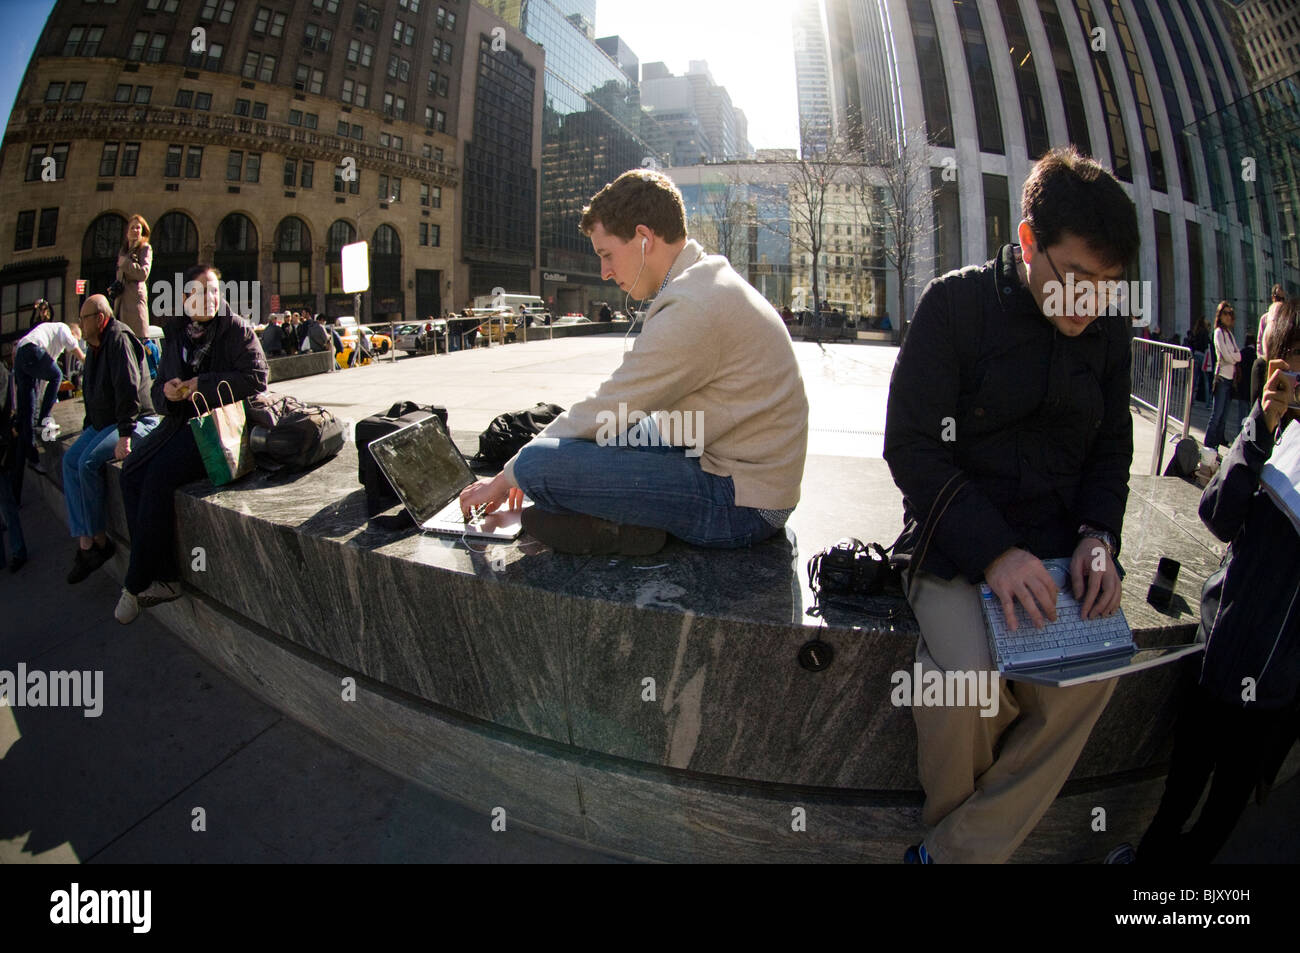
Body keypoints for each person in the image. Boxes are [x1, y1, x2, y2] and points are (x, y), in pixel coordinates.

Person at [883, 147, 1138, 864]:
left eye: (1108, 288)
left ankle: (946, 854)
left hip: (1061, 551)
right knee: (962, 688)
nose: (1089, 306)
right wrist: (994, 552)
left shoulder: (1109, 332)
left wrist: (1098, 538)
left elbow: (1110, 450)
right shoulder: (954, 306)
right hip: (956, 549)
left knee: (1089, 680)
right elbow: (911, 447)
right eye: (1077, 281)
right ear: (1028, 241)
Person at [457, 167, 809, 555]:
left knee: (539, 464)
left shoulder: (693, 305)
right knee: (600, 440)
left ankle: (610, 522)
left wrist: (507, 476)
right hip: (732, 467)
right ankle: (618, 524)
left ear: (643, 238)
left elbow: (613, 403)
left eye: (607, 255)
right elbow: (624, 415)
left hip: (743, 504)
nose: (605, 272)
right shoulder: (704, 281)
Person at [1126, 298, 1300, 864]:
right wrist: (1260, 426)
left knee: (1219, 820)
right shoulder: (1268, 435)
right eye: (1289, 365)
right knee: (1176, 801)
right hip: (1222, 652)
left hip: (1278, 684)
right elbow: (1218, 514)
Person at [114, 264, 268, 624]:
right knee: (131, 472)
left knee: (158, 477)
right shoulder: (176, 335)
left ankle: (135, 583)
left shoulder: (236, 329)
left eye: (215, 291)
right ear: (185, 298)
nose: (211, 298)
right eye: (202, 292)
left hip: (218, 429)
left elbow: (257, 379)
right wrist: (167, 391)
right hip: (180, 424)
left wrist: (205, 383)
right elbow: (157, 389)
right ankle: (163, 575)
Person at [61, 294, 159, 585]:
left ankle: (98, 543)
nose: (80, 323)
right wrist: (88, 428)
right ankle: (89, 544)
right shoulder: (93, 347)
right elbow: (92, 394)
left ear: (100, 319)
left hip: (136, 421)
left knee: (88, 463)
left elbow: (128, 389)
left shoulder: (118, 338)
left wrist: (126, 435)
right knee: (69, 460)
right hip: (103, 423)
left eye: (84, 318)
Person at [13, 318, 85, 470]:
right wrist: (88, 361)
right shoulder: (63, 328)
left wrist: (42, 400)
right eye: (76, 338)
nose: (71, 346)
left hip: (21, 355)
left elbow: (45, 380)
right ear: (73, 333)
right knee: (58, 375)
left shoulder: (52, 344)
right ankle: (43, 419)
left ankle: (33, 459)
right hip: (31, 350)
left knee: (29, 410)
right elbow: (76, 350)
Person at [0, 351, 26, 572]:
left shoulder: (2, 373)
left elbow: (5, 407)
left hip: (0, 442)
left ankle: (18, 551)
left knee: (6, 503)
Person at [1204, 302, 1241, 452]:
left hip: (1231, 380)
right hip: (1221, 378)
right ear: (1220, 315)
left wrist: (1233, 357)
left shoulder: (1230, 334)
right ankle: (1208, 444)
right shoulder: (1218, 332)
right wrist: (1234, 357)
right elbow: (1226, 355)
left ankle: (1216, 445)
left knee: (1224, 416)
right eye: (1225, 313)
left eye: (1230, 313)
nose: (1228, 316)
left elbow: (1239, 355)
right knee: (1217, 414)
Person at [115, 214, 153, 340]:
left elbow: (143, 274)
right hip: (121, 300)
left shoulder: (145, 248)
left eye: (138, 228)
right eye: (132, 228)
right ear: (127, 232)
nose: (136, 230)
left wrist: (126, 264)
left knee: (135, 338)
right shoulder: (124, 251)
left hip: (135, 301)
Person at [1189, 315, 1210, 405]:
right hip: (1202, 355)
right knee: (1206, 380)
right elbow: (1206, 344)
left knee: (1194, 379)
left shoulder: (1196, 331)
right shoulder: (1205, 332)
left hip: (1196, 354)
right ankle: (1208, 402)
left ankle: (1190, 400)